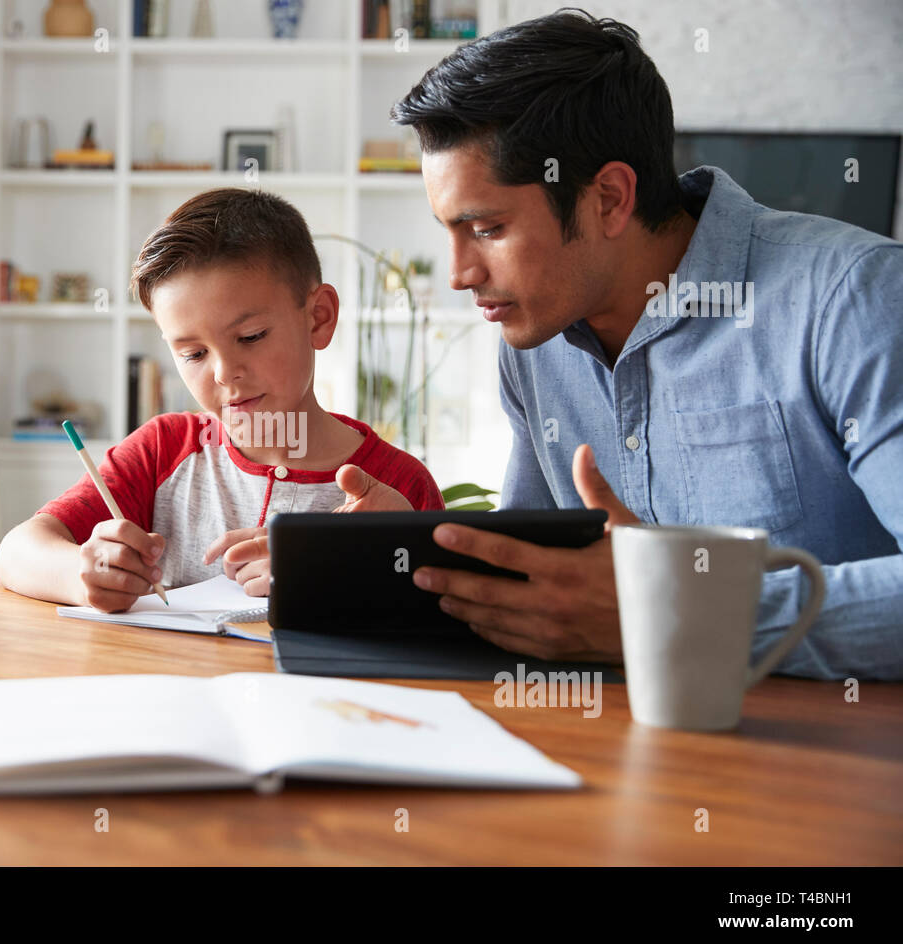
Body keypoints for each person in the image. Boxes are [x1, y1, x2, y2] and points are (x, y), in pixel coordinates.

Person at [341, 9, 903, 679]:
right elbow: (537, 579)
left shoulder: (852, 296)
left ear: (608, 198)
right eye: (451, 232)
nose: (461, 273)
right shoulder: (534, 342)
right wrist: (413, 556)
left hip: (827, 764)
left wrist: (675, 613)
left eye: (487, 228)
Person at [0, 188, 444, 612]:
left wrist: (357, 573)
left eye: (251, 336)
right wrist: (83, 575)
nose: (225, 372)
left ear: (318, 318)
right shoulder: (162, 451)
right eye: (193, 354)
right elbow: (16, 552)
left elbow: (438, 622)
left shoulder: (397, 486)